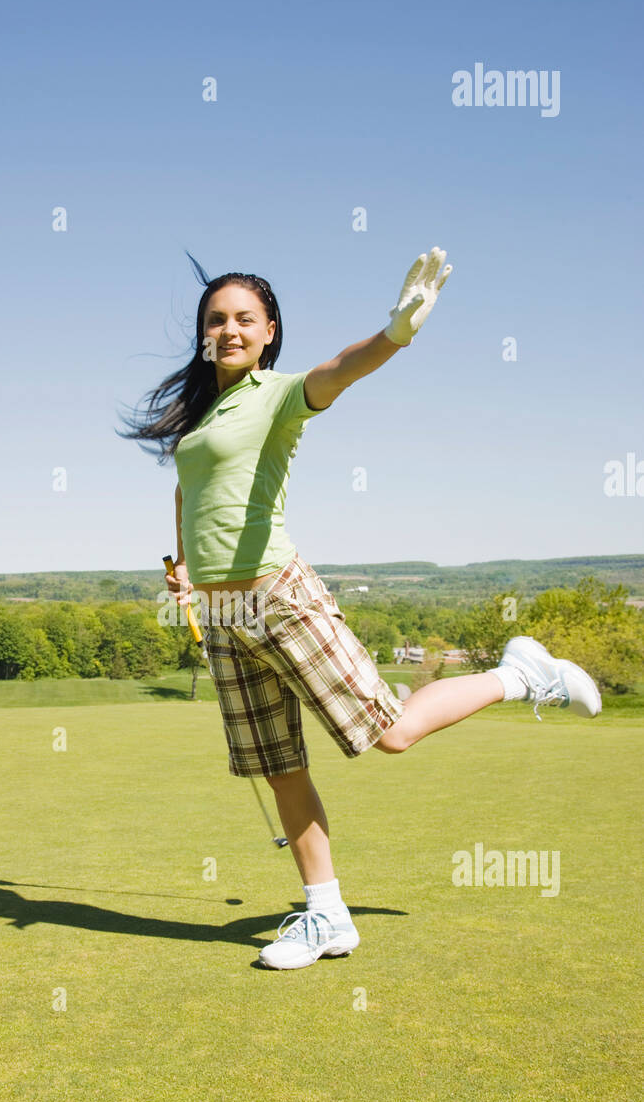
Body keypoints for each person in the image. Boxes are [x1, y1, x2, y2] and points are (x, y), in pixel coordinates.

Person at [117, 248, 601, 971]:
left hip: (279, 597)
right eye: (215, 320)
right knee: (280, 766)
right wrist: (184, 564)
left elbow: (340, 370)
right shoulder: (200, 414)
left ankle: (521, 675)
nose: (228, 329)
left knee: (392, 732)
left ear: (270, 329)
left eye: (244, 318)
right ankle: (327, 916)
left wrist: (396, 331)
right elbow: (190, 486)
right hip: (222, 620)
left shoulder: (279, 394)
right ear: (202, 333)